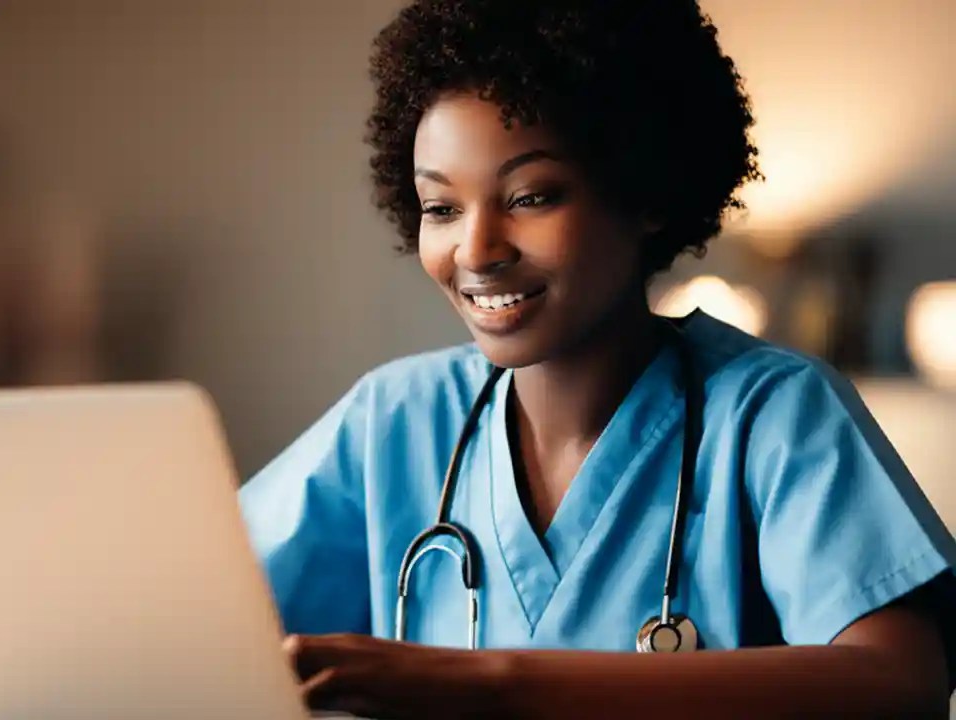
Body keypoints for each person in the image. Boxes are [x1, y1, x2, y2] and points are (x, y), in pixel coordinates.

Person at [237, 1, 956, 717]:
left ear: (644, 191)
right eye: (442, 208)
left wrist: (491, 683)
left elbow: (898, 681)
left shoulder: (773, 412)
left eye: (531, 196)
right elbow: (185, 614)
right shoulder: (395, 418)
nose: (478, 250)